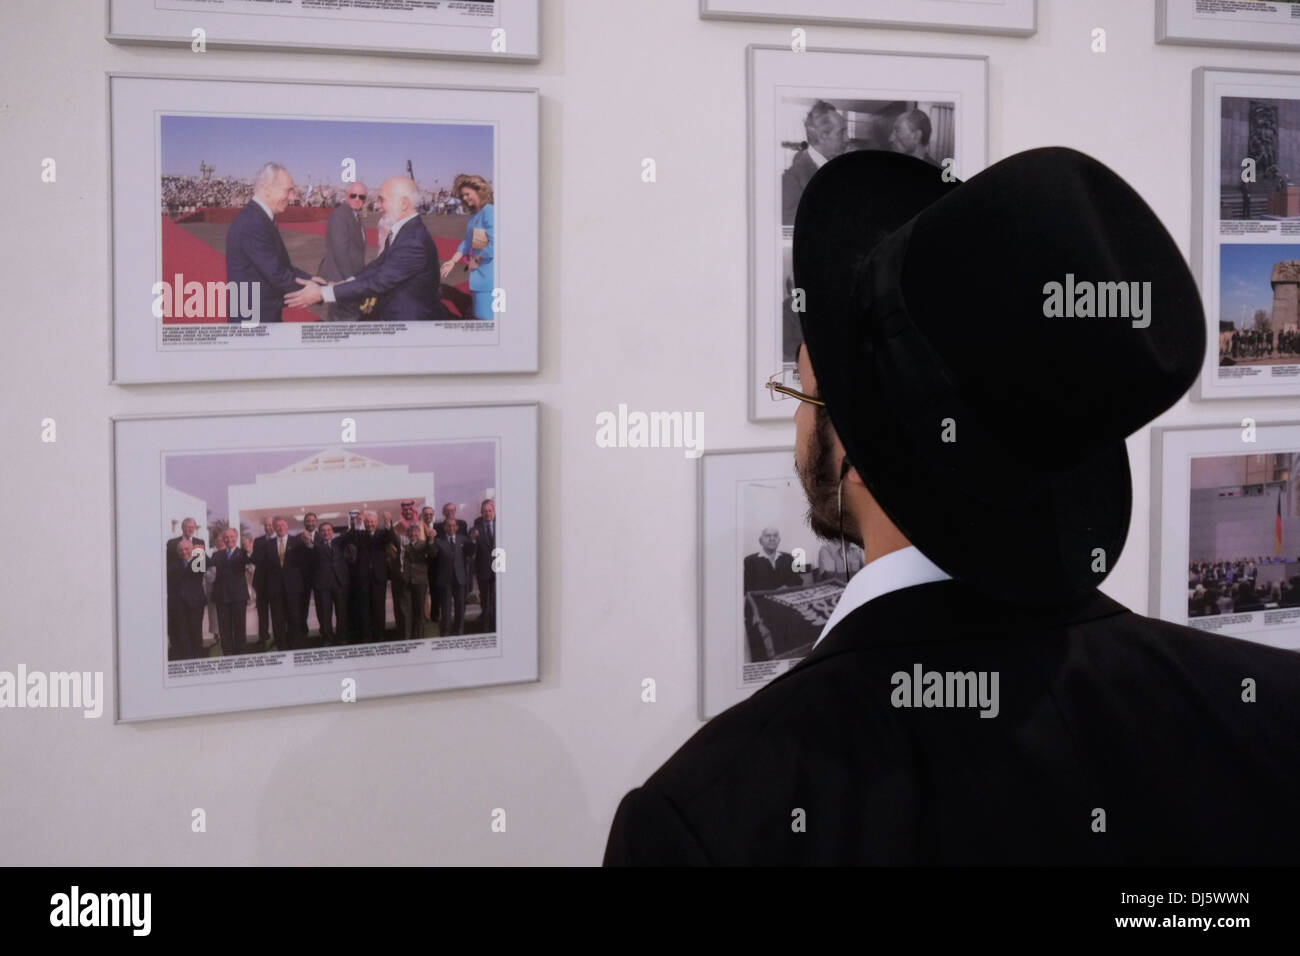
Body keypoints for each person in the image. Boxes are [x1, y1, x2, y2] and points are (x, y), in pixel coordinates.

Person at [604, 147, 1300, 865]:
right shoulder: (1272, 709)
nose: (794, 420)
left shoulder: (711, 820)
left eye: (805, 394)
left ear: (862, 460)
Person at [285, 177, 444, 322]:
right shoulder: (405, 231)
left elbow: (378, 281)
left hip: (409, 321)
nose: (378, 206)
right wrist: (344, 283)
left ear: (403, 204)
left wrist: (323, 293)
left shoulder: (412, 240)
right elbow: (377, 265)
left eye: (382, 200)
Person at [225, 163, 323, 324]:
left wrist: (314, 280)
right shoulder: (253, 222)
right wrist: (323, 292)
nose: (292, 198)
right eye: (288, 190)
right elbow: (277, 274)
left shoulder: (259, 218)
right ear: (267, 188)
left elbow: (282, 267)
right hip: (252, 321)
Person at [781, 101, 846, 226]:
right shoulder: (792, 179)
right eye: (841, 132)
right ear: (822, 136)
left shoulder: (839, 168)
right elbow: (793, 234)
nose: (847, 138)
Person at [440, 174, 495, 320]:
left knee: (485, 319)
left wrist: (476, 259)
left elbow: (495, 244)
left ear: (479, 191)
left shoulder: (489, 211)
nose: (464, 198)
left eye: (467, 194)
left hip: (489, 276)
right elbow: (468, 242)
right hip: (478, 275)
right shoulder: (474, 216)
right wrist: (452, 261)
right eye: (462, 196)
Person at [319, 182, 369, 321]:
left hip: (349, 278)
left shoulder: (353, 215)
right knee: (344, 319)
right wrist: (350, 280)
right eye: (353, 195)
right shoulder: (341, 215)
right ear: (347, 197)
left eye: (361, 196)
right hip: (342, 279)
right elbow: (340, 251)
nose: (357, 199)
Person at [210, 528, 252, 657]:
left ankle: (241, 655)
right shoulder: (217, 555)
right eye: (226, 537)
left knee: (239, 629)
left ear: (237, 537)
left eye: (232, 536)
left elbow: (251, 564)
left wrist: (249, 551)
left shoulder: (243, 553)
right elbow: (203, 570)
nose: (229, 539)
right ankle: (228, 655)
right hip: (221, 597)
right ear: (223, 539)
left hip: (238, 597)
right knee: (224, 630)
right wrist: (197, 553)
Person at [310, 522, 349, 646]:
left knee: (341, 612)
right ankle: (327, 638)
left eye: (328, 530)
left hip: (339, 582)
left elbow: (351, 535)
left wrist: (355, 522)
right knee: (325, 614)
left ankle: (342, 637)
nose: (326, 532)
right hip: (323, 585)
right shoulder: (315, 546)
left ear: (332, 531)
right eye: (323, 531)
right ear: (320, 533)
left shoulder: (339, 542)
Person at [432, 516, 471, 636]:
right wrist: (430, 540)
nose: (451, 528)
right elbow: (432, 553)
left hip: (460, 579)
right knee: (446, 610)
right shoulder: (438, 540)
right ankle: (445, 632)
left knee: (460, 608)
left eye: (454, 526)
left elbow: (471, 552)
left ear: (457, 527)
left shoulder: (463, 539)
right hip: (445, 580)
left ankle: (459, 631)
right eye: (449, 526)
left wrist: (474, 541)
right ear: (444, 527)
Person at [471, 499, 498, 633]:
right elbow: (472, 549)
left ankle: (497, 626)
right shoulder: (476, 528)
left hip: (499, 569)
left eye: (490, 511)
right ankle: (486, 628)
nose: (487, 514)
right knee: (486, 600)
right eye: (485, 511)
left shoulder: (502, 523)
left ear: (494, 511)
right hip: (483, 570)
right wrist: (473, 539)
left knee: (498, 599)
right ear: (481, 513)